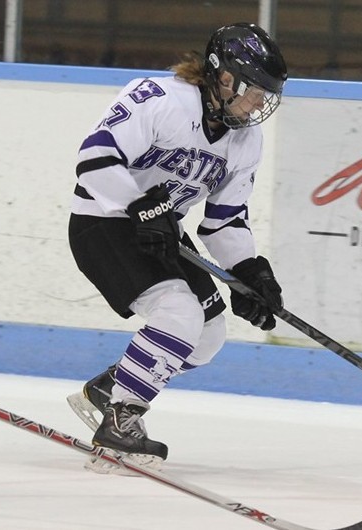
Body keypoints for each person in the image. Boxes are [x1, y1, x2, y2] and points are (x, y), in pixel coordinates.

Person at [66, 22, 287, 472]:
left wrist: (250, 272)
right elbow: (93, 159)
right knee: (179, 313)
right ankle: (120, 422)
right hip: (103, 221)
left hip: (160, 231)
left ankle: (112, 389)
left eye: (266, 95)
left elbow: (224, 221)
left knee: (207, 336)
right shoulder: (160, 99)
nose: (259, 104)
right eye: (254, 91)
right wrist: (138, 205)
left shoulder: (246, 139)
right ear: (224, 77)